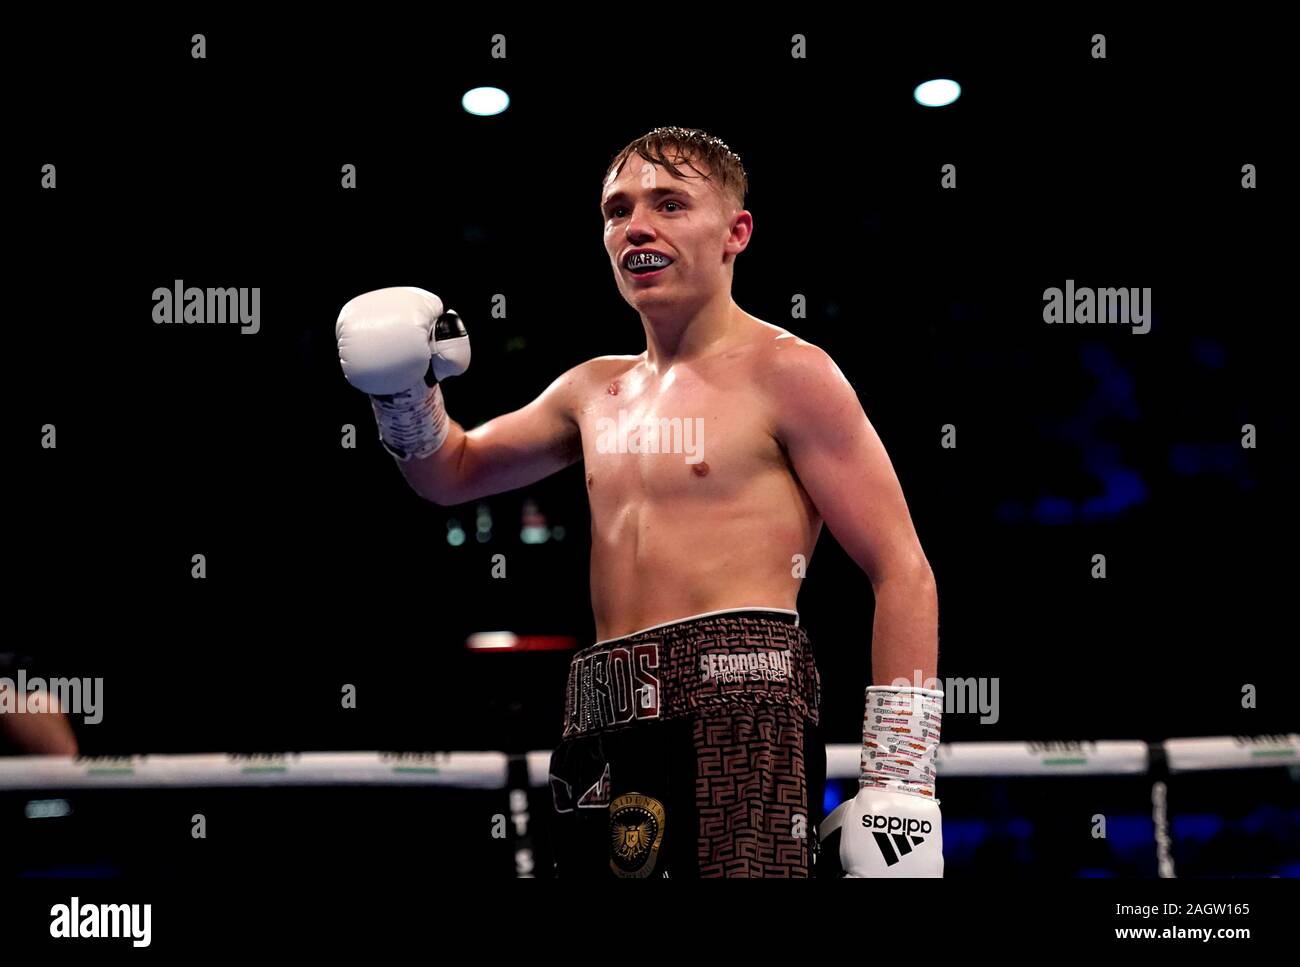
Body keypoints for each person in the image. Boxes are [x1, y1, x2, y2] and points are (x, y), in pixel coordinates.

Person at [335, 127, 941, 877]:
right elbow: (450, 472)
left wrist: (902, 776)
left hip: (740, 702)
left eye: (669, 203)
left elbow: (901, 567)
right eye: (616, 210)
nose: (637, 226)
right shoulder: (591, 389)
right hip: (599, 708)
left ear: (735, 233)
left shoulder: (789, 372)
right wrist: (403, 393)